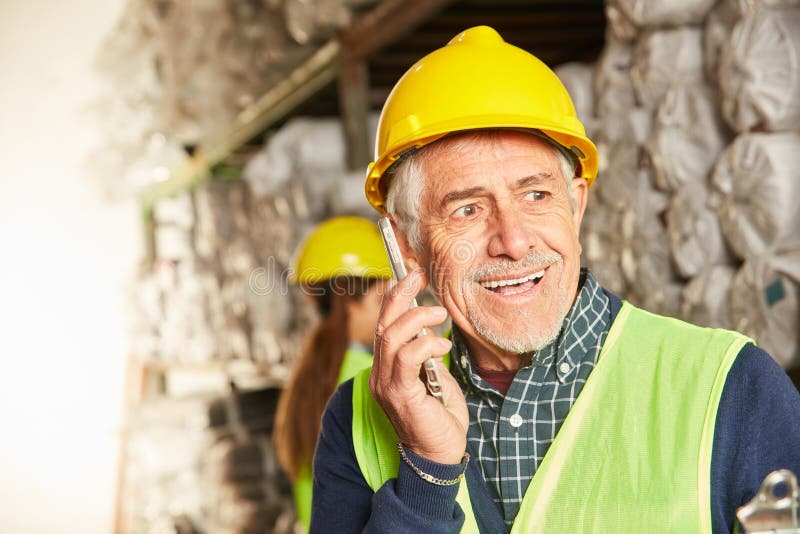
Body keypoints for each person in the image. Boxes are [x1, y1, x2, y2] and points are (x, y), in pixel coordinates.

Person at [310, 26, 800, 533]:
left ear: (577, 204)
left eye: (536, 196)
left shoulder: (735, 388)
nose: (514, 241)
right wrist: (426, 475)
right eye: (467, 209)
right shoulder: (356, 424)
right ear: (406, 247)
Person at [272, 216, 392, 531]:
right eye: (381, 298)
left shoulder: (307, 372)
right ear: (350, 300)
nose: (387, 310)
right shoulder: (366, 379)